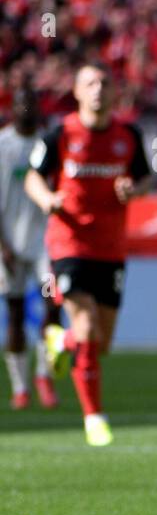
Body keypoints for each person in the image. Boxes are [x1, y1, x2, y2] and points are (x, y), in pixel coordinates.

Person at [24, 63, 152, 446]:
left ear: (114, 93)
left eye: (104, 83)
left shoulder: (128, 136)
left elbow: (145, 177)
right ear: (77, 92)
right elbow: (33, 175)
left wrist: (136, 190)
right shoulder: (60, 133)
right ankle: (94, 418)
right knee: (87, 326)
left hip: (110, 247)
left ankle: (58, 342)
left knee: (102, 343)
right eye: (90, 83)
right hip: (69, 243)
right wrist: (48, 199)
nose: (98, 89)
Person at [0, 86, 59, 409]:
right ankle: (20, 387)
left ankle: (43, 376)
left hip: (44, 243)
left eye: (32, 105)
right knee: (15, 312)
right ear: (12, 107)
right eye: (21, 104)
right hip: (8, 244)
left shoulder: (49, 141)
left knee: (52, 304)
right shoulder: (3, 145)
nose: (27, 110)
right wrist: (1, 246)